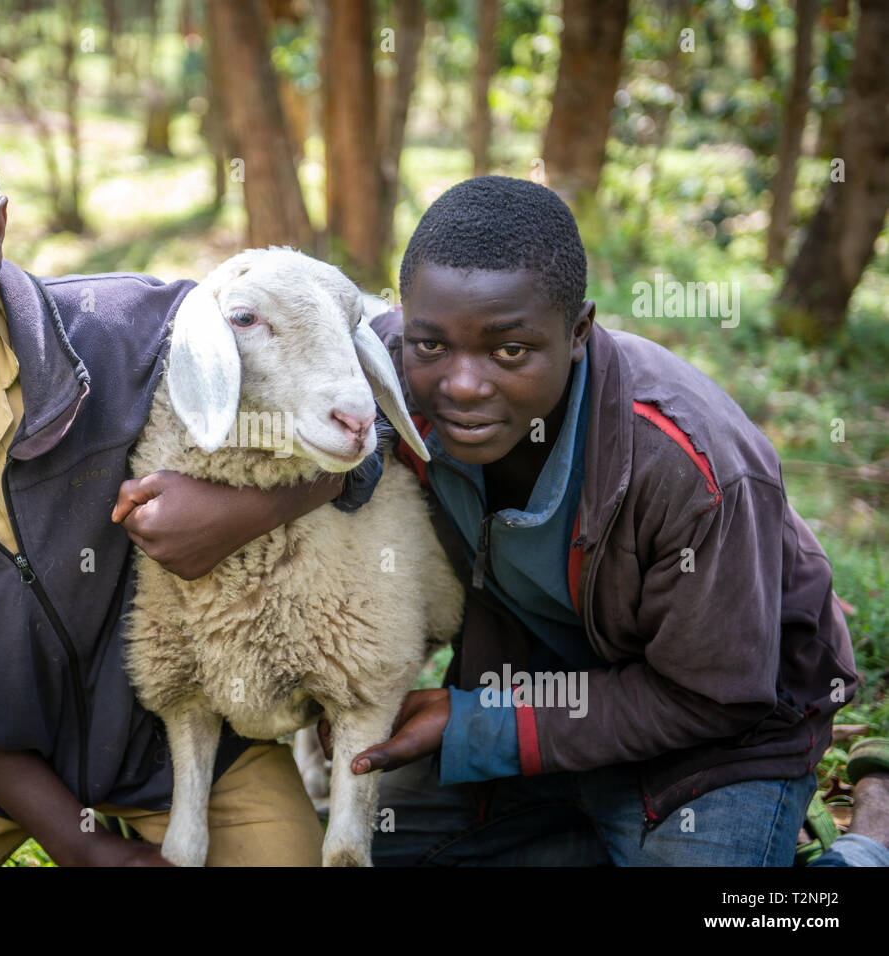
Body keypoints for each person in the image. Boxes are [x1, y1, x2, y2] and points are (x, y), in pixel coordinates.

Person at [0, 89, 378, 866]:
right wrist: (79, 847)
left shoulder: (134, 336)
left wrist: (234, 512)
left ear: (0, 226)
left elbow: (371, 392)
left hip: (182, 740)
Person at [331, 176, 863, 866]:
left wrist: (477, 727)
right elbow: (299, 388)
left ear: (578, 331)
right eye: (431, 347)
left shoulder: (692, 467)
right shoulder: (392, 369)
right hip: (532, 698)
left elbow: (714, 697)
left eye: (509, 351)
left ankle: (869, 836)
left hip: (712, 744)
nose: (460, 385)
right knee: (354, 846)